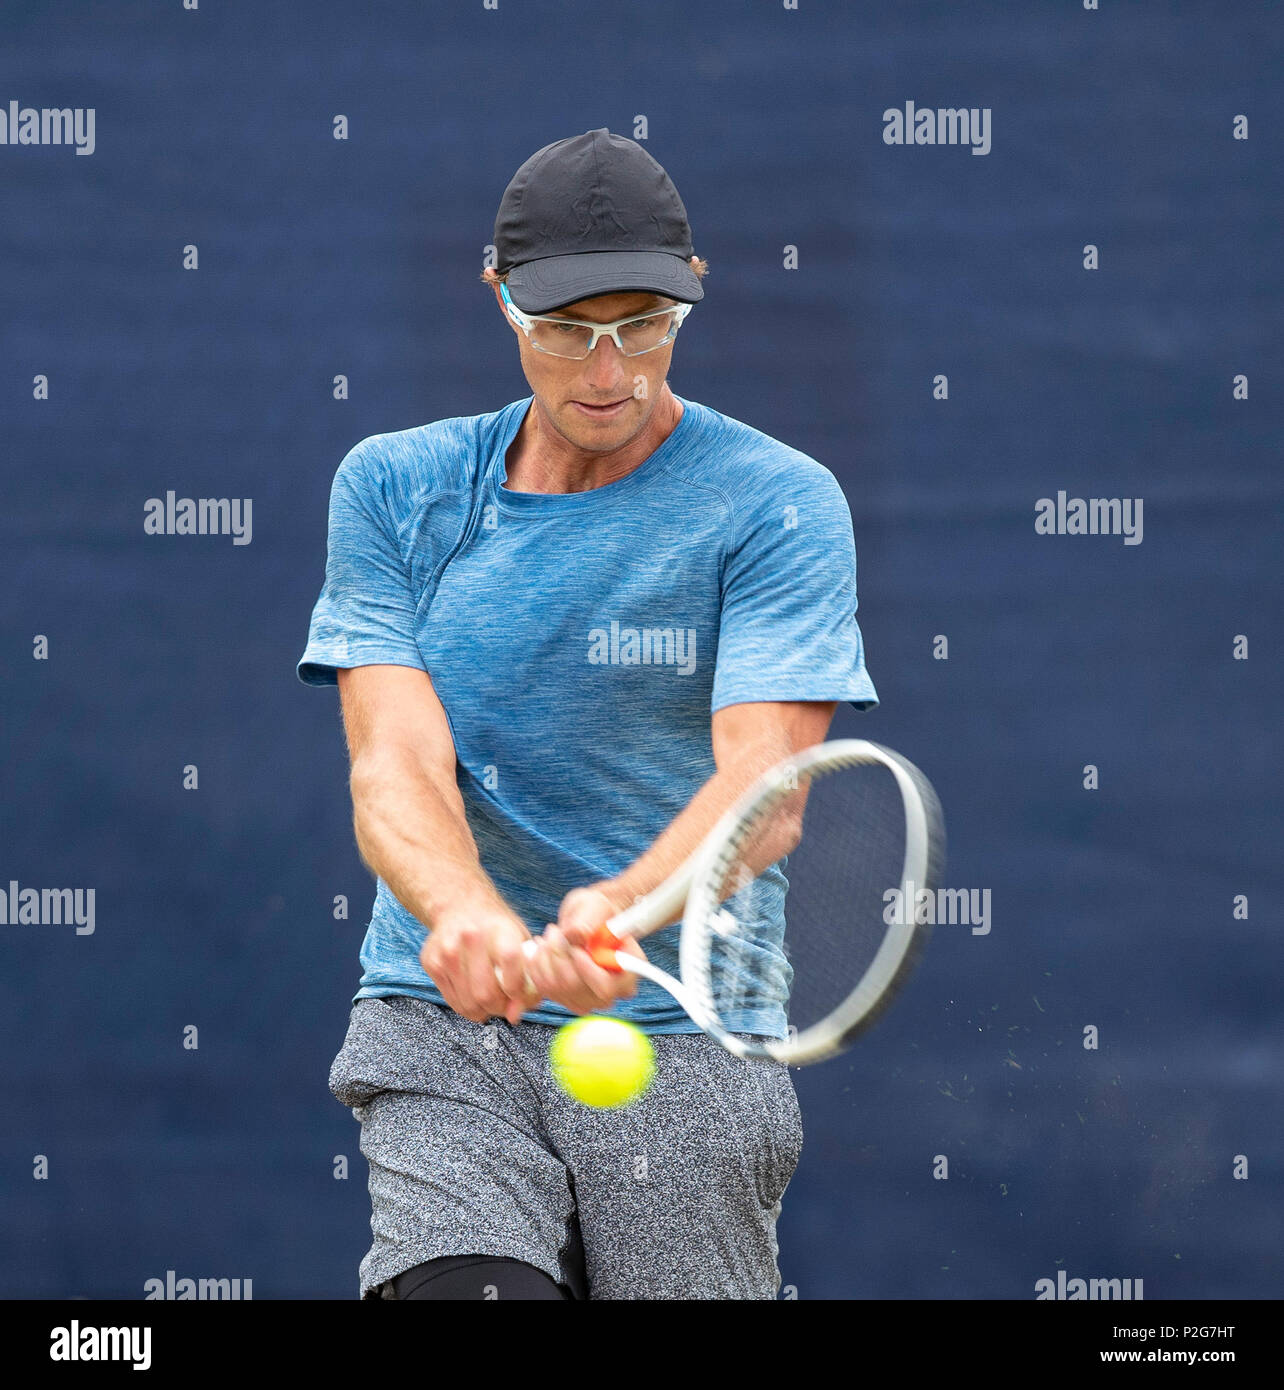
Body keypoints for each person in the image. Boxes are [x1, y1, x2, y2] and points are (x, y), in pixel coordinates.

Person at [297, 127, 878, 1300]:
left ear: (691, 297)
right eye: (567, 328)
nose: (610, 370)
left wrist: (618, 909)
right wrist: (462, 917)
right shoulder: (395, 487)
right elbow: (395, 759)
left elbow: (762, 796)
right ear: (500, 298)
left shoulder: (778, 503)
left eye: (645, 324)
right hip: (442, 1021)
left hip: (684, 1032)